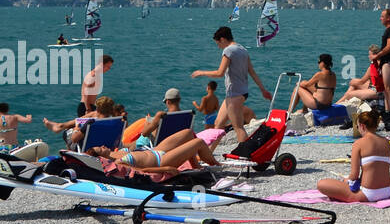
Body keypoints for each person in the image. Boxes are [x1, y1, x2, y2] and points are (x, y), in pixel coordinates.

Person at [191, 26, 271, 143]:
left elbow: (220, 73)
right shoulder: (243, 50)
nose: (218, 46)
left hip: (235, 94)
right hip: (240, 93)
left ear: (222, 39)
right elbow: (252, 72)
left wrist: (201, 72)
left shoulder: (228, 51)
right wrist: (263, 90)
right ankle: (209, 154)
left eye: (218, 43)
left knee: (238, 127)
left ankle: (245, 155)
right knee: (218, 124)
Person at [315, 110, 390, 203]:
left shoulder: (359, 143)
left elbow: (354, 175)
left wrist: (347, 180)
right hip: (386, 191)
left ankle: (348, 196)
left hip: (369, 194)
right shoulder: (386, 142)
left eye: (357, 126)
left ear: (362, 126)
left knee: (322, 184)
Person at [90, 128, 219, 175]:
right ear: (101, 157)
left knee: (188, 133)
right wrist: (167, 168)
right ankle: (215, 165)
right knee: (199, 142)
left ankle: (196, 166)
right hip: (161, 161)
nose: (102, 145)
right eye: (100, 149)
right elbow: (142, 171)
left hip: (156, 151)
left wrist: (148, 129)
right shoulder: (118, 162)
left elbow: (134, 146)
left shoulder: (115, 152)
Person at [46, 97, 118, 147]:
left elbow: (74, 139)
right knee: (90, 116)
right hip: (106, 145)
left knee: (67, 131)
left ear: (98, 108)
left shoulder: (91, 124)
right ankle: (60, 126)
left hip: (89, 148)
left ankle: (61, 126)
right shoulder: (116, 122)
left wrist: (76, 128)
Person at [374, 9, 390, 113]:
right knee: (385, 89)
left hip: (389, 62)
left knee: (388, 89)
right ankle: (388, 112)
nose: (380, 18)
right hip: (386, 62)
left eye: (382, 16)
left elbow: (389, 47)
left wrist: (377, 56)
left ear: (389, 18)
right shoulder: (388, 30)